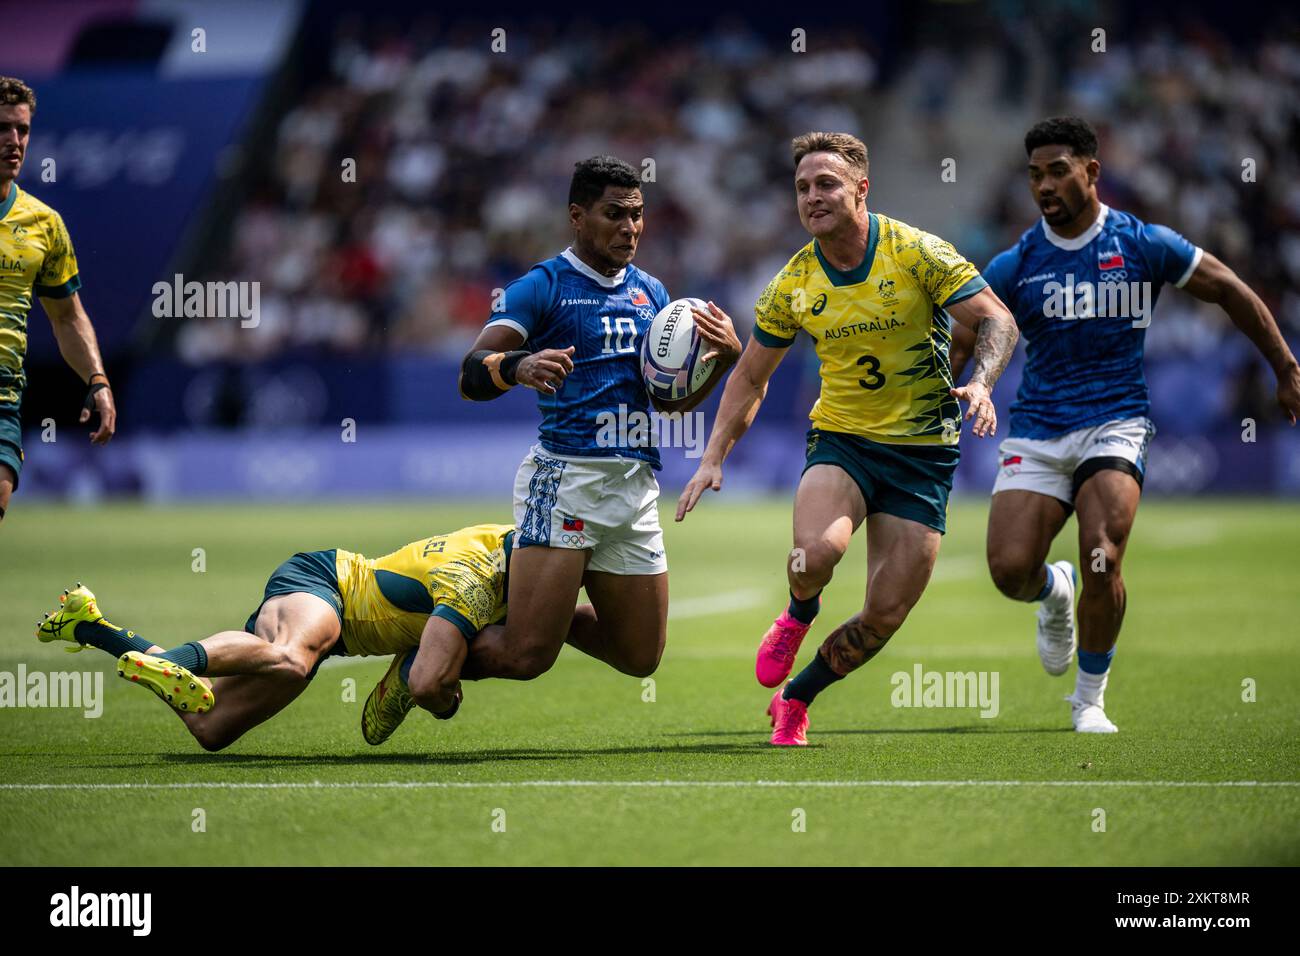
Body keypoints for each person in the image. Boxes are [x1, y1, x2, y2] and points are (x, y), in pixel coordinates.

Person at [950, 116, 1300, 733]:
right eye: (1035, 175)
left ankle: (1088, 700)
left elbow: (1230, 290)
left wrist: (1285, 367)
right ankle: (1053, 594)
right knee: (1009, 571)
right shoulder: (1016, 264)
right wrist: (943, 395)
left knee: (1102, 555)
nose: (1045, 186)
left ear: (1091, 171)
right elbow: (964, 334)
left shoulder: (1143, 243)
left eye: (1058, 171)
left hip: (1116, 421)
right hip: (1036, 426)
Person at [677, 132, 1019, 746]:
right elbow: (751, 375)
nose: (813, 196)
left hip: (924, 454)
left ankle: (798, 698)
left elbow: (997, 318)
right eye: (803, 187)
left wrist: (984, 384)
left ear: (862, 189)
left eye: (827, 183)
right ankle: (798, 613)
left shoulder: (917, 253)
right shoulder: (793, 284)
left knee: (884, 615)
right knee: (817, 554)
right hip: (843, 440)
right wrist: (711, 457)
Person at [456, 155, 740, 686]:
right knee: (526, 658)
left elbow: (670, 405)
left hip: (633, 488)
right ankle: (427, 651)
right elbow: (470, 374)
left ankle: (536, 605)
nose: (630, 228)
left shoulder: (652, 293)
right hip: (567, 481)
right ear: (577, 216)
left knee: (640, 657)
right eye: (614, 214)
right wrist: (518, 366)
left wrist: (721, 361)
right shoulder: (542, 286)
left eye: (637, 214)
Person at [37, 525, 516, 750]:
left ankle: (88, 625)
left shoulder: (509, 547)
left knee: (210, 727)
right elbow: (433, 684)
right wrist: (442, 699)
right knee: (289, 659)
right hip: (327, 584)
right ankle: (181, 660)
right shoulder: (472, 578)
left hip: (338, 635)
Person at [0, 76, 115, 527]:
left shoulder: (44, 224)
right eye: (2, 128)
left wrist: (97, 380)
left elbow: (67, 317)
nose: (14, 141)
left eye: (23, 130)